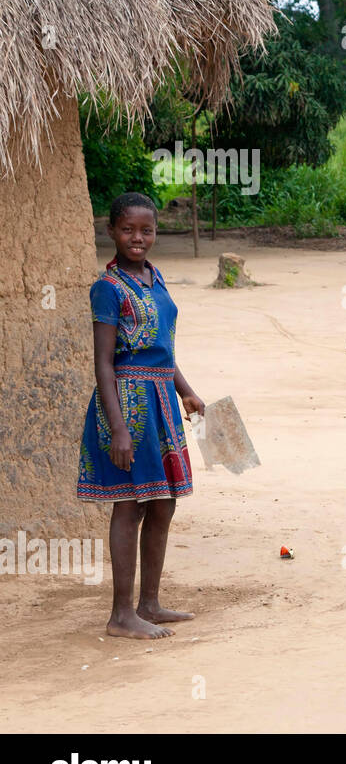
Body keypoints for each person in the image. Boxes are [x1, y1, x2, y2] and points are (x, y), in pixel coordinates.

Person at [77, 192, 206, 639]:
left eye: (146, 230)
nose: (138, 238)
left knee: (164, 504)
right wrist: (118, 428)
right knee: (129, 505)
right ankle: (120, 615)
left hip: (162, 404)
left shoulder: (156, 278)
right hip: (127, 404)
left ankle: (149, 603)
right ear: (112, 231)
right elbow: (103, 363)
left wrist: (186, 391)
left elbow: (164, 351)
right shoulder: (108, 289)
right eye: (128, 229)